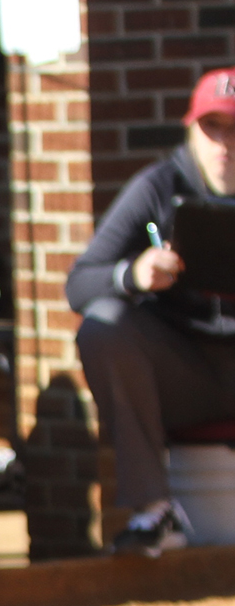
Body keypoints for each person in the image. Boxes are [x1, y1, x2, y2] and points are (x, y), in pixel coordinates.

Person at [68, 67, 235, 557]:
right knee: (103, 328)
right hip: (184, 373)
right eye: (214, 128)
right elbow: (79, 284)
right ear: (191, 130)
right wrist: (133, 275)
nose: (225, 144)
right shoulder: (157, 187)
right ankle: (154, 513)